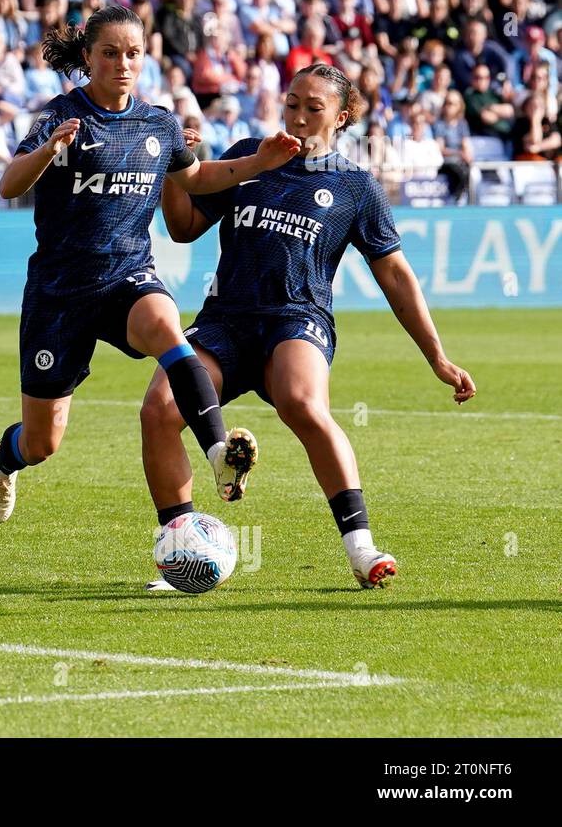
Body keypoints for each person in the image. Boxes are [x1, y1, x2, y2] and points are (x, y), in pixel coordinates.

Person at [145, 63, 477, 589]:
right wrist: (171, 169)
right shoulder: (247, 157)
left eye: (313, 108)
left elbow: (394, 273)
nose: (297, 116)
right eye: (292, 103)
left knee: (304, 405)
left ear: (341, 118)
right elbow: (184, 228)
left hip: (297, 321)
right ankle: (182, 546)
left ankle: (361, 549)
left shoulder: (355, 187)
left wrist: (436, 355)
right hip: (224, 322)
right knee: (159, 408)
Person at [0, 4, 302, 525]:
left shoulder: (158, 122)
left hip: (127, 275)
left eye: (132, 53)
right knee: (42, 442)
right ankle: (4, 460)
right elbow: (9, 183)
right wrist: (48, 151)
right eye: (109, 54)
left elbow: (196, 179)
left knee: (168, 328)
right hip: (59, 294)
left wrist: (259, 163)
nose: (122, 64)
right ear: (87, 57)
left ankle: (219, 453)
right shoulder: (60, 115)